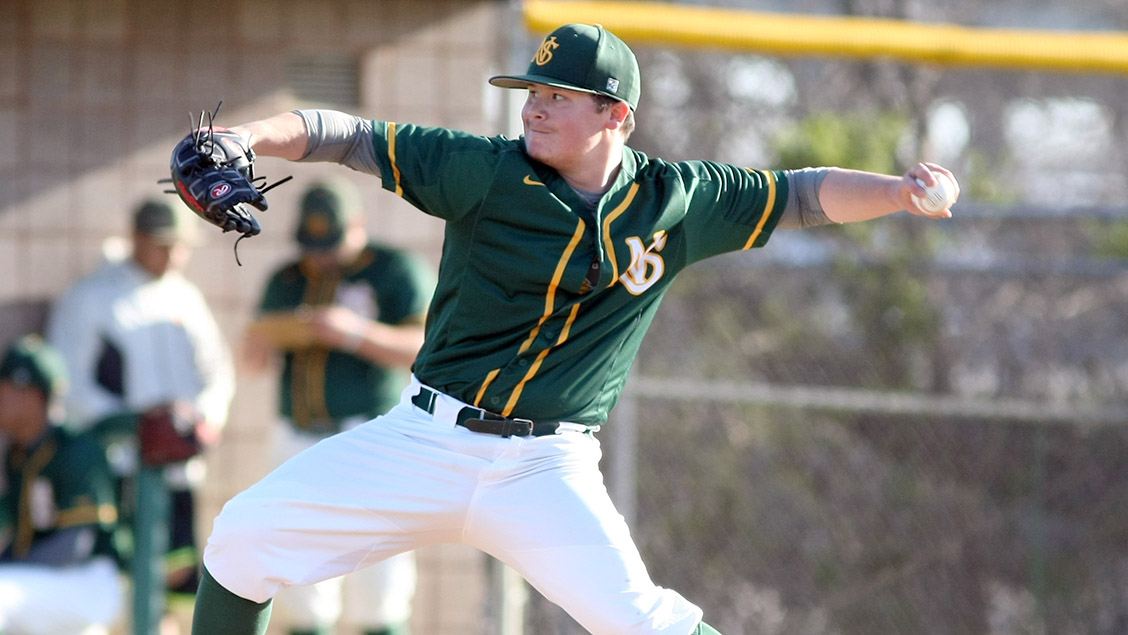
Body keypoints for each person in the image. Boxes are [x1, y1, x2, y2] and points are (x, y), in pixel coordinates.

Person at [188, 23, 959, 635]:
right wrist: (247, 140)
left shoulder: (675, 199)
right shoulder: (487, 171)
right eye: (532, 90)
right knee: (241, 541)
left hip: (544, 468)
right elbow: (343, 133)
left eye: (559, 94)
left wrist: (899, 191)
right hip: (424, 439)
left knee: (644, 622)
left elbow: (801, 195)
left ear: (615, 114)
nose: (534, 107)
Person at [242, 178, 433, 635]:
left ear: (359, 225)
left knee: (379, 576)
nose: (322, 255)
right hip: (300, 435)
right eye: (314, 244)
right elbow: (253, 349)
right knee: (303, 576)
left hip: (375, 434)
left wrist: (354, 333)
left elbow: (425, 348)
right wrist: (304, 329)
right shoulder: (289, 278)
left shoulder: (391, 269)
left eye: (332, 242)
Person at [46, 200, 235, 617]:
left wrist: (200, 418)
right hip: (116, 468)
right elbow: (68, 385)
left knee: (178, 583)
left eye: (180, 246)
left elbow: (218, 372)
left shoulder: (185, 296)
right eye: (162, 245)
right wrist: (134, 422)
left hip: (178, 468)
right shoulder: (92, 297)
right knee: (121, 582)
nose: (173, 256)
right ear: (136, 239)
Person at [0, 334, 123, 634]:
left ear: (31, 396)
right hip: (50, 584)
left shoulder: (76, 447)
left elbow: (74, 546)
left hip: (91, 580)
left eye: (4, 389)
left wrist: (9, 567)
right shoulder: (18, 454)